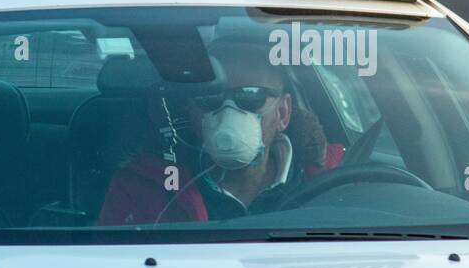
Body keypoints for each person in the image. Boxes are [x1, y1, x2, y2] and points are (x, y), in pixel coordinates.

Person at [97, 39, 343, 225]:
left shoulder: (334, 179)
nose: (229, 113)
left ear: (283, 113)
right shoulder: (143, 188)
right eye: (210, 97)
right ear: (192, 113)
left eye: (250, 96)